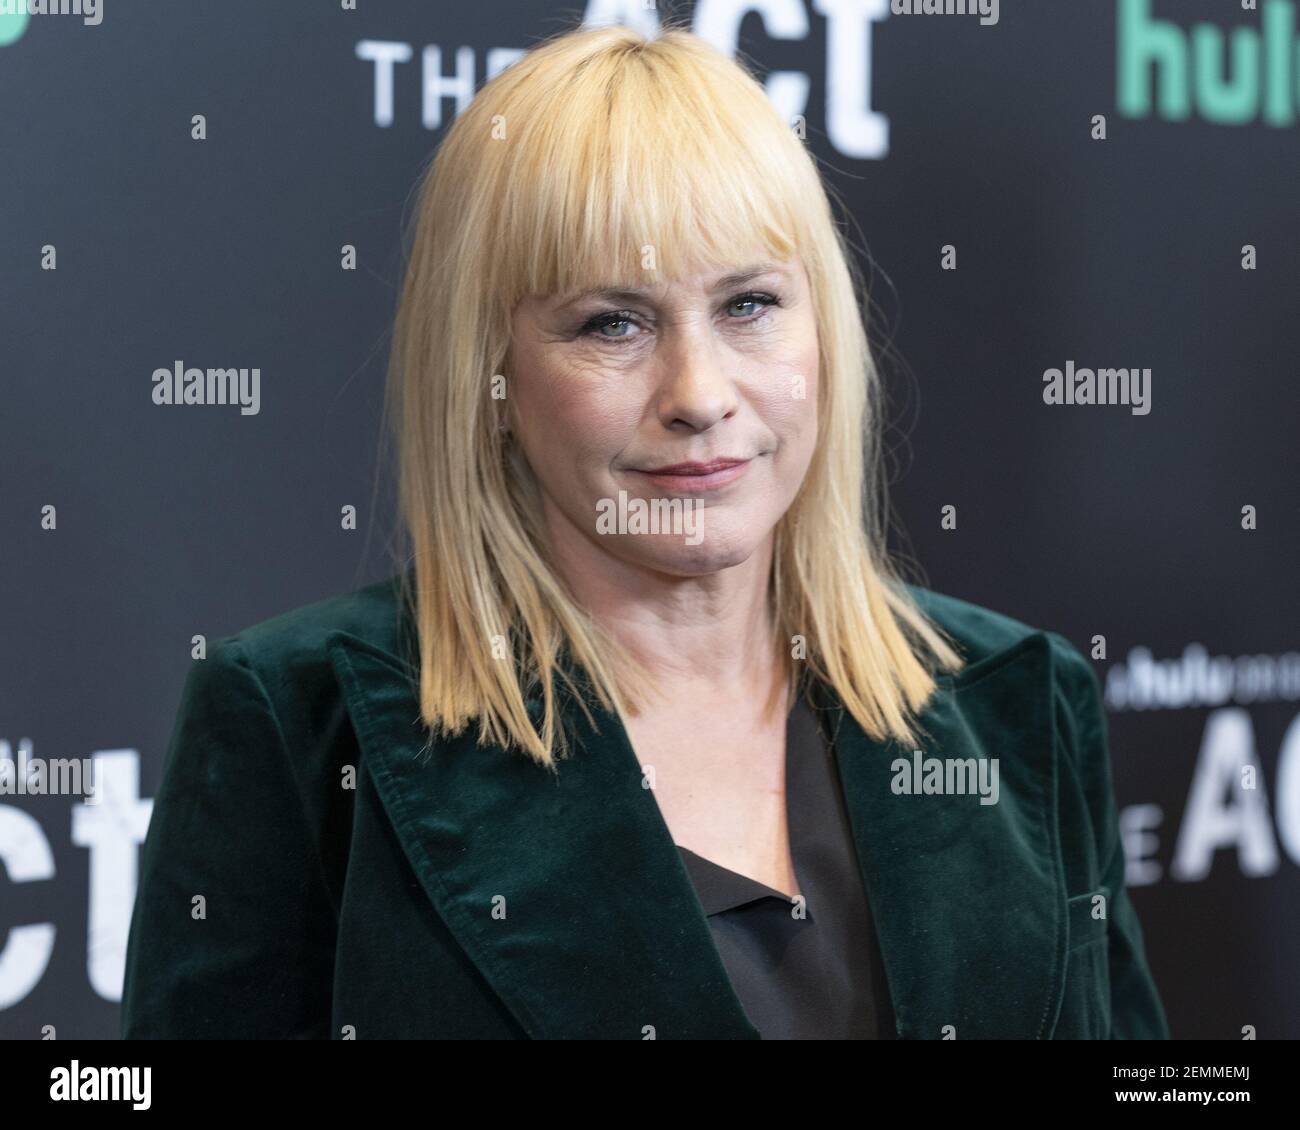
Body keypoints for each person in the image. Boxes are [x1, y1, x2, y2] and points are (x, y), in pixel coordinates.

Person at [119, 21, 1169, 1040]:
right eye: (611, 323)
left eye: (749, 304)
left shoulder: (1020, 701)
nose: (699, 393)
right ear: (487, 374)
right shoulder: (302, 725)